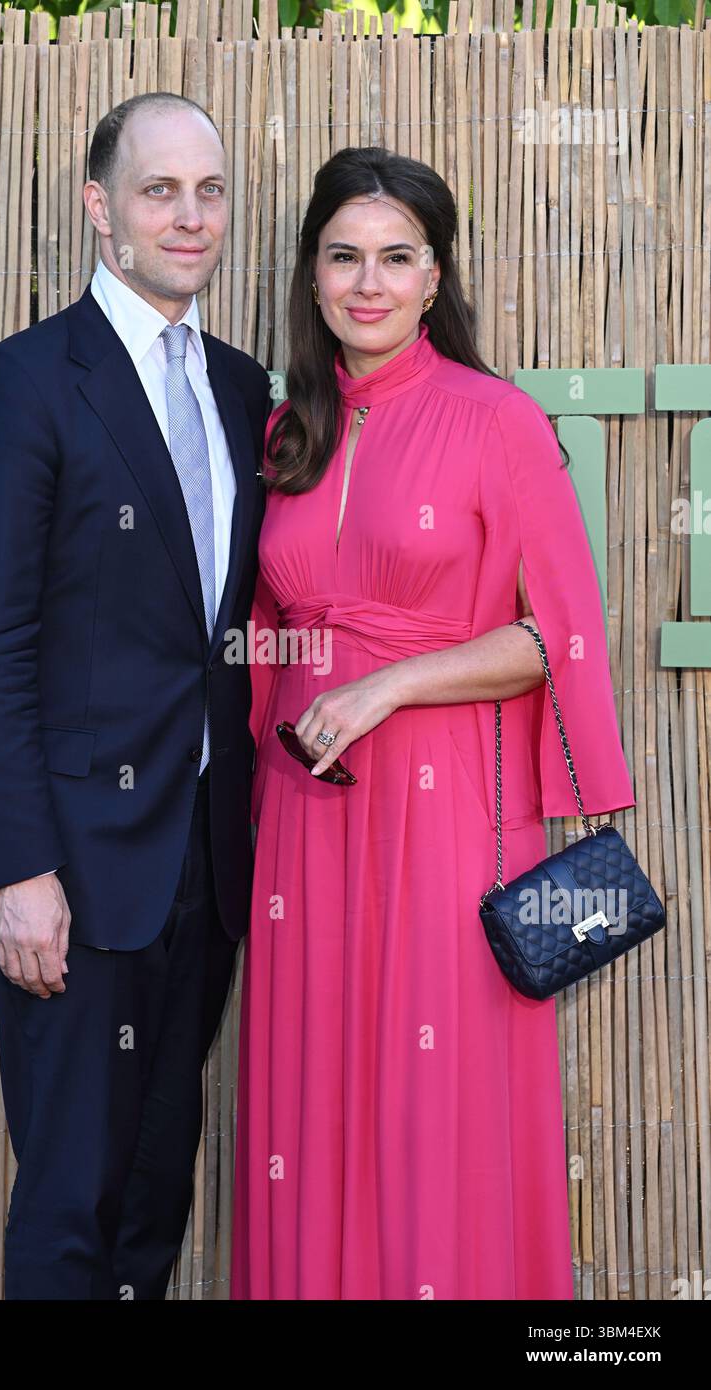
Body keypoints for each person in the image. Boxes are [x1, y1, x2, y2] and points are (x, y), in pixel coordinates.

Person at [230, 145, 636, 1300]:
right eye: (342, 256)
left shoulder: (494, 419)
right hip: (303, 824)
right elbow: (263, 639)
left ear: (433, 276)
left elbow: (548, 640)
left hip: (450, 816)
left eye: (395, 258)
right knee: (305, 1097)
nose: (367, 283)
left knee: (434, 1098)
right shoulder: (282, 435)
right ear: (311, 278)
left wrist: (384, 685)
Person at [0, 92, 271, 1300]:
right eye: (158, 189)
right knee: (71, 1200)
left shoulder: (242, 391)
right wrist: (16, 867)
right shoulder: (20, 386)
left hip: (203, 860)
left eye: (210, 190)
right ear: (100, 208)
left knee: (152, 1191)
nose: (189, 216)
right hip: (67, 866)